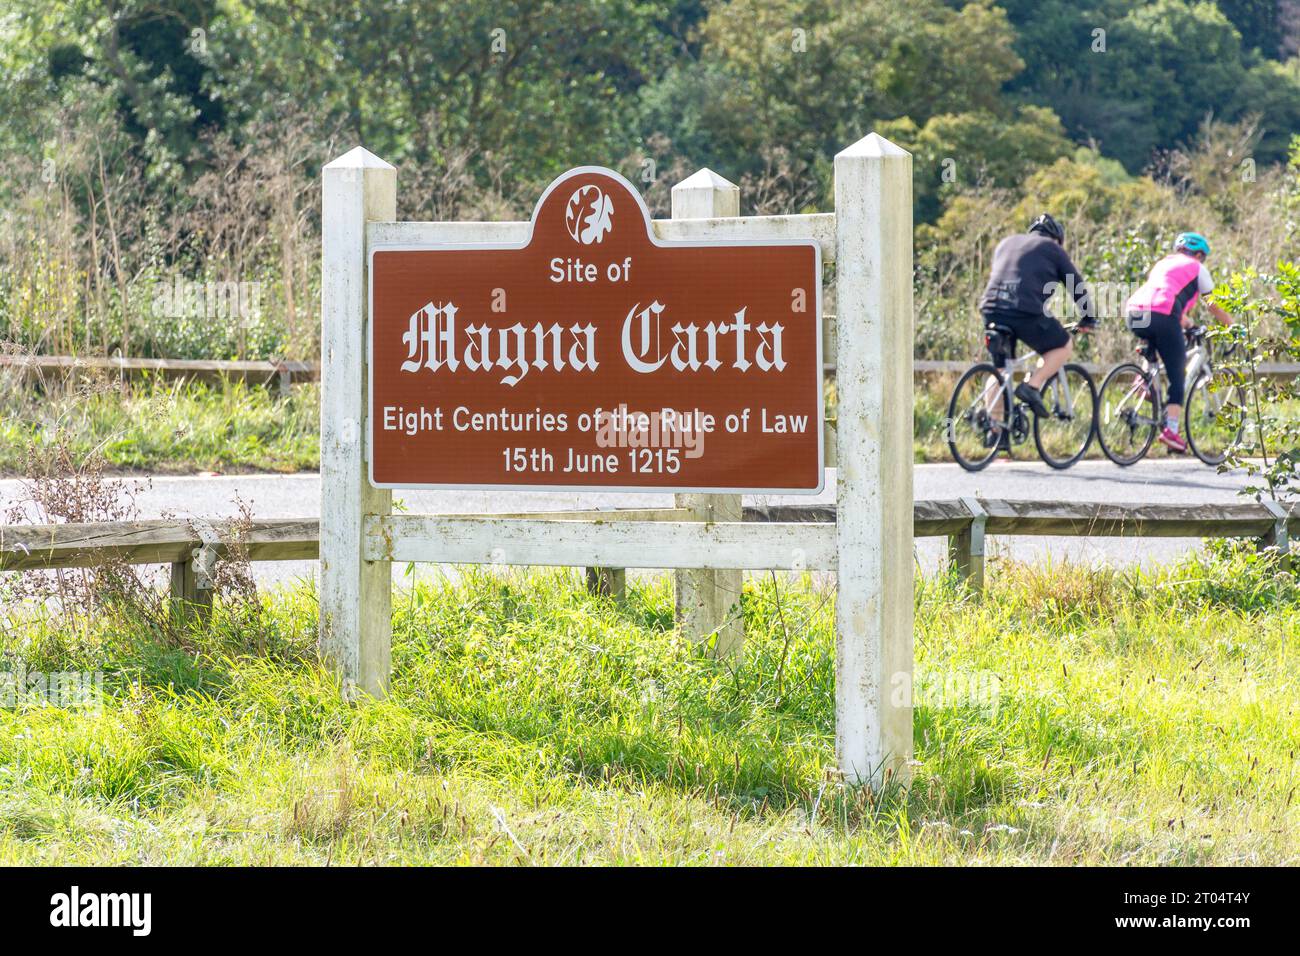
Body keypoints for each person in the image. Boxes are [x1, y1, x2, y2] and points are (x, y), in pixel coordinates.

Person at [1123, 232, 1233, 453]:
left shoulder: (1163, 264)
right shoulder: (1197, 268)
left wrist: (1189, 324)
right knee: (1177, 373)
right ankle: (1171, 431)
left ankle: (1144, 382)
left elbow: (1163, 298)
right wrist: (1232, 325)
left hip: (1134, 311)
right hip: (1162, 313)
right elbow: (1212, 304)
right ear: (1200, 255)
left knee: (1154, 346)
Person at [979, 214, 1095, 420]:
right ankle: (1032, 386)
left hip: (991, 308)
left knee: (1001, 370)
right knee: (1063, 346)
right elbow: (1075, 284)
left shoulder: (1006, 243)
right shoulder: (1053, 249)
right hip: (1024, 310)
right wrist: (1088, 317)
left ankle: (995, 429)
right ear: (1057, 239)